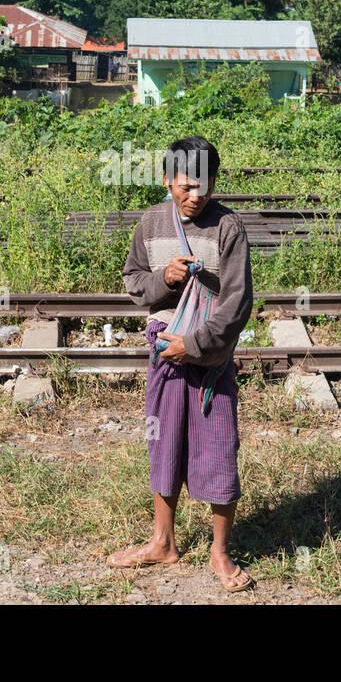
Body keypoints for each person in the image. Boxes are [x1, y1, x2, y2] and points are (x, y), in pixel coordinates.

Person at [110, 135, 255, 593]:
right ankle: (163, 542)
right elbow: (133, 281)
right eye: (186, 186)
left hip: (209, 358)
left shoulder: (228, 227)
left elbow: (237, 303)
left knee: (218, 447)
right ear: (168, 179)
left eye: (205, 187)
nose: (195, 197)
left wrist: (193, 345)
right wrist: (164, 279)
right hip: (163, 354)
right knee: (164, 443)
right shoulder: (151, 222)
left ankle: (219, 550)